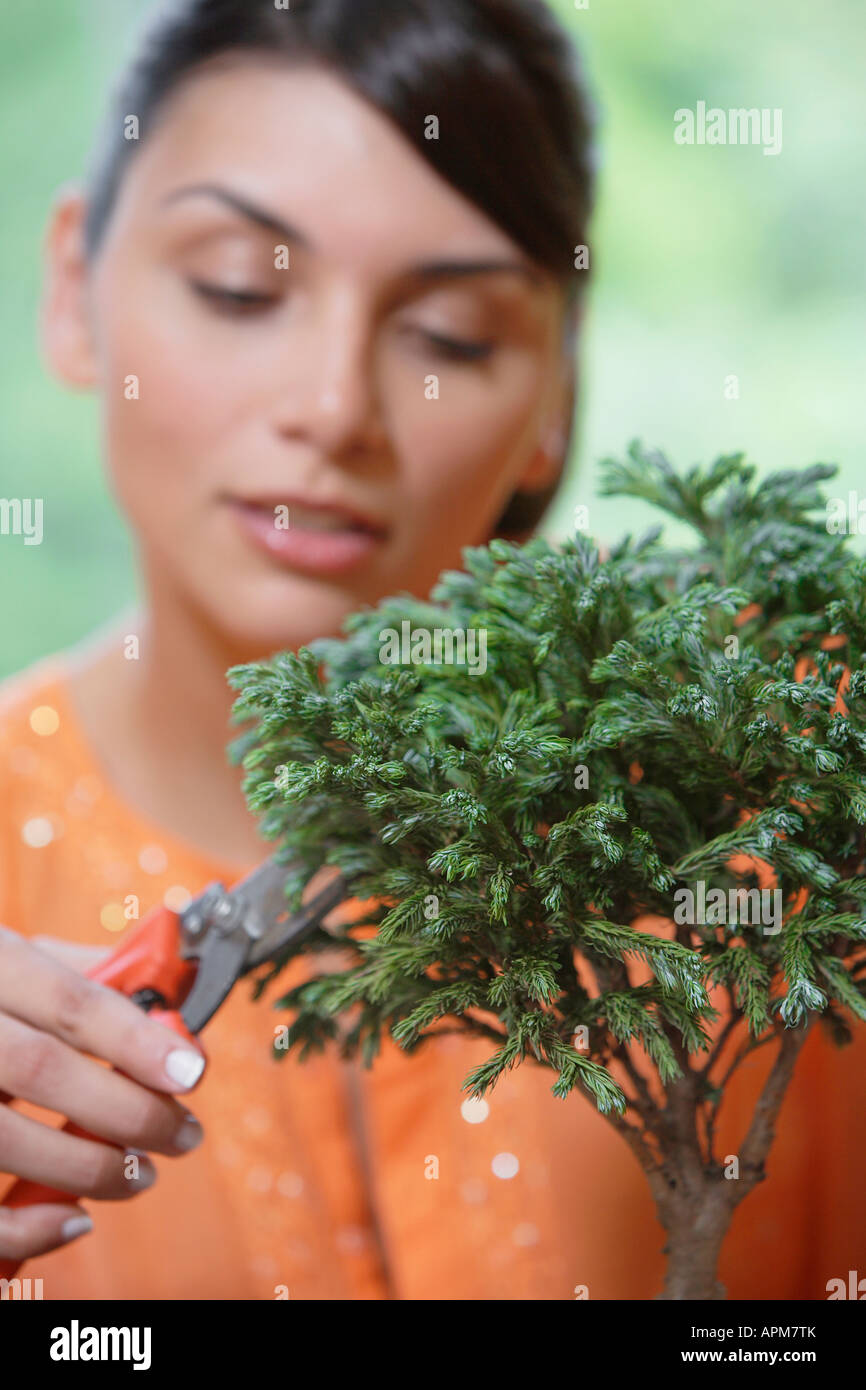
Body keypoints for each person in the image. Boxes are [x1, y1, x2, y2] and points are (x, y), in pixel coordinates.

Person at [0, 0, 863, 1301]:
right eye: (239, 286)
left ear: (555, 403)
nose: (334, 406)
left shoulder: (778, 821)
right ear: (73, 290)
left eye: (452, 336)